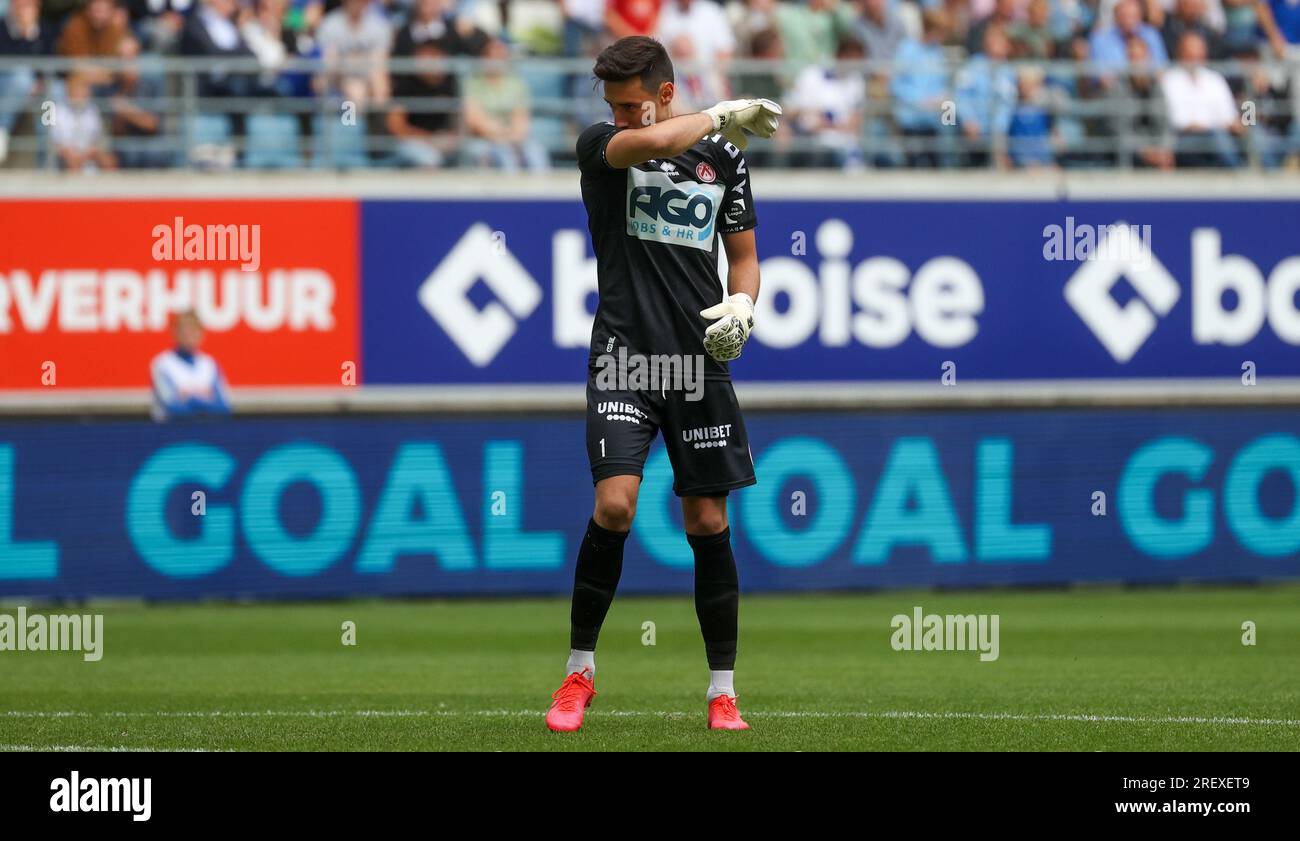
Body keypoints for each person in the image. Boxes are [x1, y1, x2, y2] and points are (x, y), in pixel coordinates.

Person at [547, 35, 780, 733]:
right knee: (615, 505)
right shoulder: (603, 146)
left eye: (631, 104)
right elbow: (643, 148)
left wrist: (744, 305)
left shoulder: (725, 162)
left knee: (707, 520)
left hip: (696, 362)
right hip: (623, 355)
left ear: (665, 94)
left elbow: (743, 259)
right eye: (613, 105)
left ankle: (722, 690)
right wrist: (715, 114)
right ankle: (578, 673)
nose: (618, 116)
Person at [150, 310, 232, 422]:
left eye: (193, 330)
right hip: (171, 434)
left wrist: (188, 398)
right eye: (184, 330)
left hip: (206, 431)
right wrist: (205, 398)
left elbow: (223, 408)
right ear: (175, 333)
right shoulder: (162, 364)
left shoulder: (210, 364)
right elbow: (174, 408)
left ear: (201, 333)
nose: (188, 335)